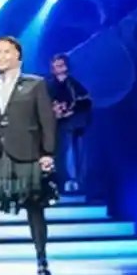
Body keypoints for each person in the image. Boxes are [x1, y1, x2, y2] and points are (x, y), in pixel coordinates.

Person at [0, 36, 56, 275]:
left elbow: (47, 121)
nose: (0, 57)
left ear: (18, 56)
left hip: (26, 154)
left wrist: (47, 153)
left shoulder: (35, 85)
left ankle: (41, 260)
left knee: (34, 207)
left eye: (6, 52)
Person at [47, 54, 92, 193]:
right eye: (55, 65)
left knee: (70, 152)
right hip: (52, 125)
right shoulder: (47, 84)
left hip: (70, 126)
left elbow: (85, 102)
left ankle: (71, 181)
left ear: (66, 66)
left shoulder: (74, 85)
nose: (57, 68)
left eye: (60, 65)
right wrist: (54, 109)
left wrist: (69, 111)